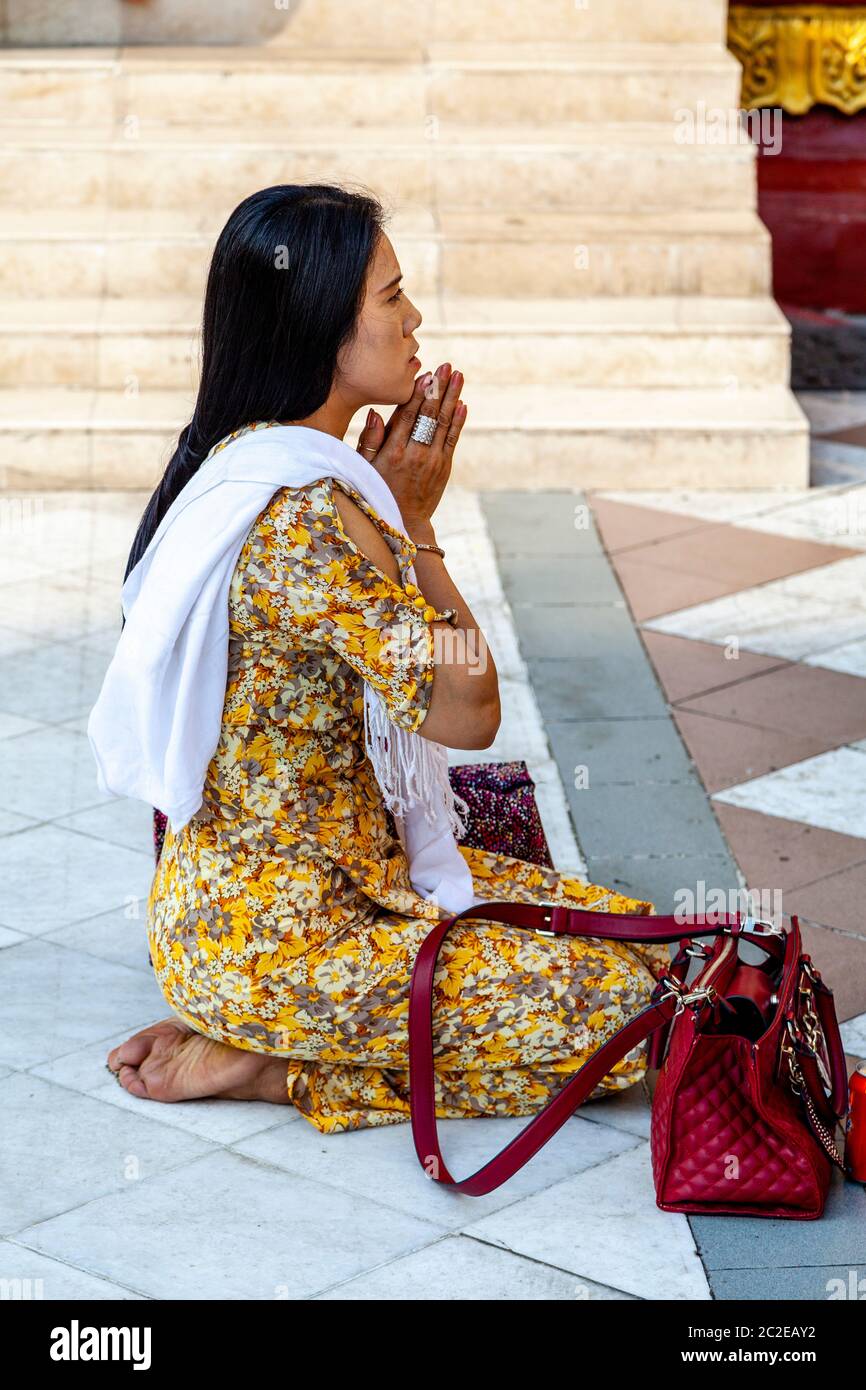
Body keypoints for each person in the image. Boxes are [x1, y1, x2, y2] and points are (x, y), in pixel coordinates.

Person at [104, 183, 669, 1132]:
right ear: (323, 324)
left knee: (646, 939)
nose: (416, 320)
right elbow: (467, 711)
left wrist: (396, 519)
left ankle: (275, 1035)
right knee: (634, 1016)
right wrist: (416, 526)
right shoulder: (304, 520)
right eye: (392, 296)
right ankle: (278, 1066)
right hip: (287, 940)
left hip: (289, 899)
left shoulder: (250, 461)